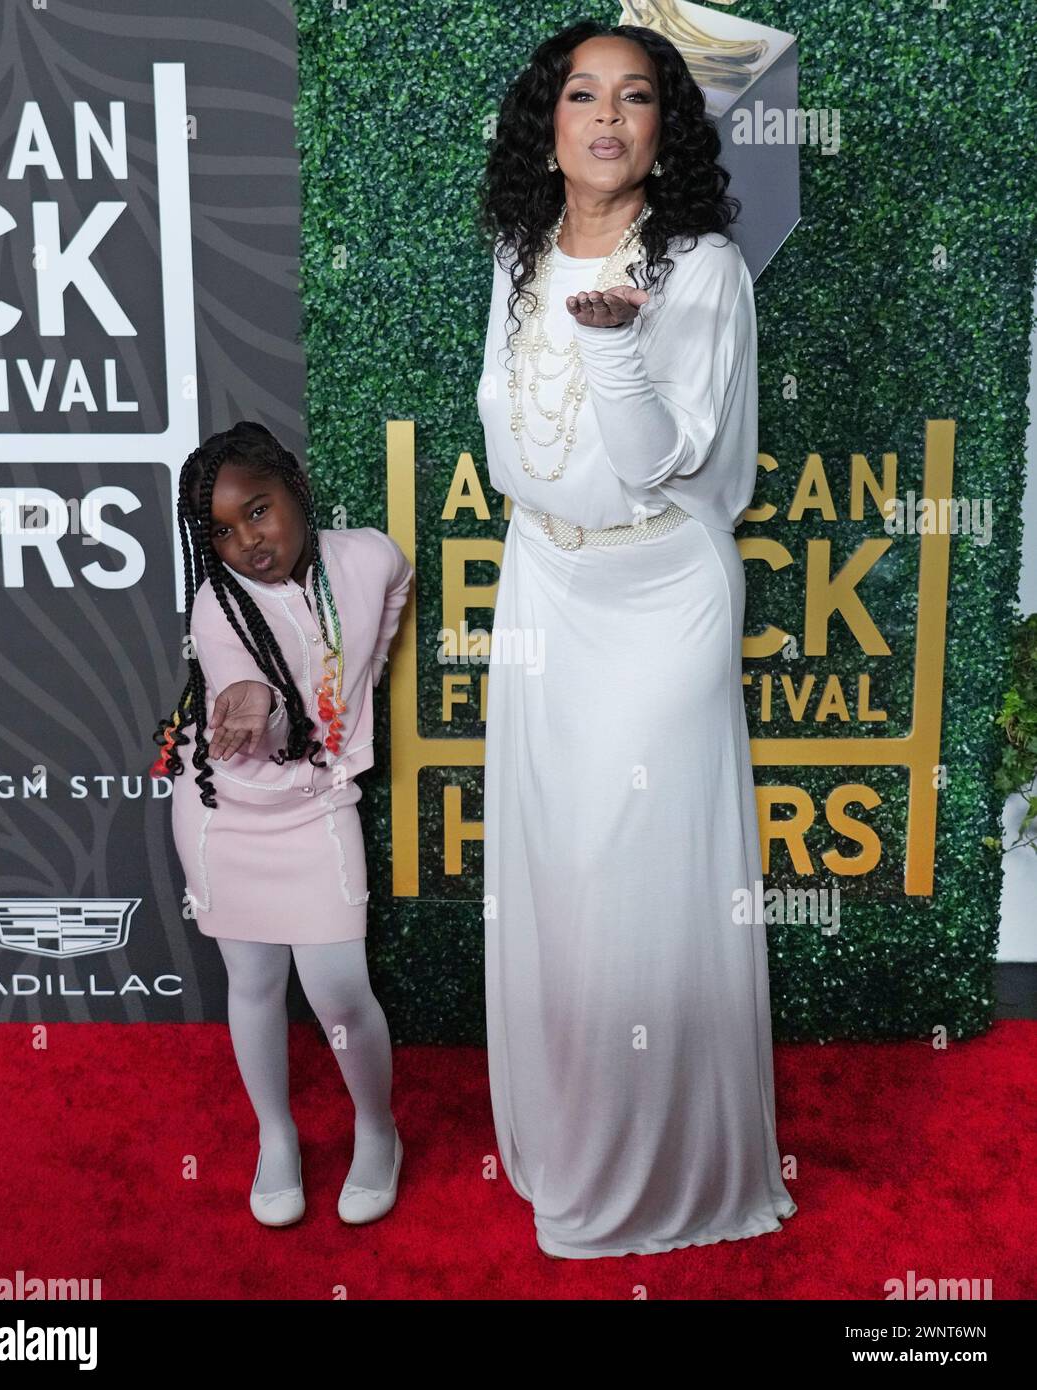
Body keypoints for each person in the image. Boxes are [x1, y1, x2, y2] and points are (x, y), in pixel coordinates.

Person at [476, 21, 798, 1259]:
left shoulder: (703, 266)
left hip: (659, 597)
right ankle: (567, 1129)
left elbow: (662, 457)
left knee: (635, 877)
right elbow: (506, 426)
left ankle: (666, 1171)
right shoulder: (513, 250)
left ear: (666, 127)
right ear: (546, 123)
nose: (605, 118)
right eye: (580, 95)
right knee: (557, 874)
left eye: (636, 97)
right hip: (542, 584)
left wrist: (614, 344)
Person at [150, 420, 414, 1227]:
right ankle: (276, 1137)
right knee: (255, 983)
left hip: (317, 806)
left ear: (294, 487)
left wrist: (363, 673)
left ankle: (378, 1132)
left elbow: (393, 590)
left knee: (338, 992)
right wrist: (252, 703)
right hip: (227, 813)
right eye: (222, 534)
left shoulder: (370, 555)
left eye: (258, 512)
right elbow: (240, 689)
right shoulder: (215, 605)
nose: (247, 544)